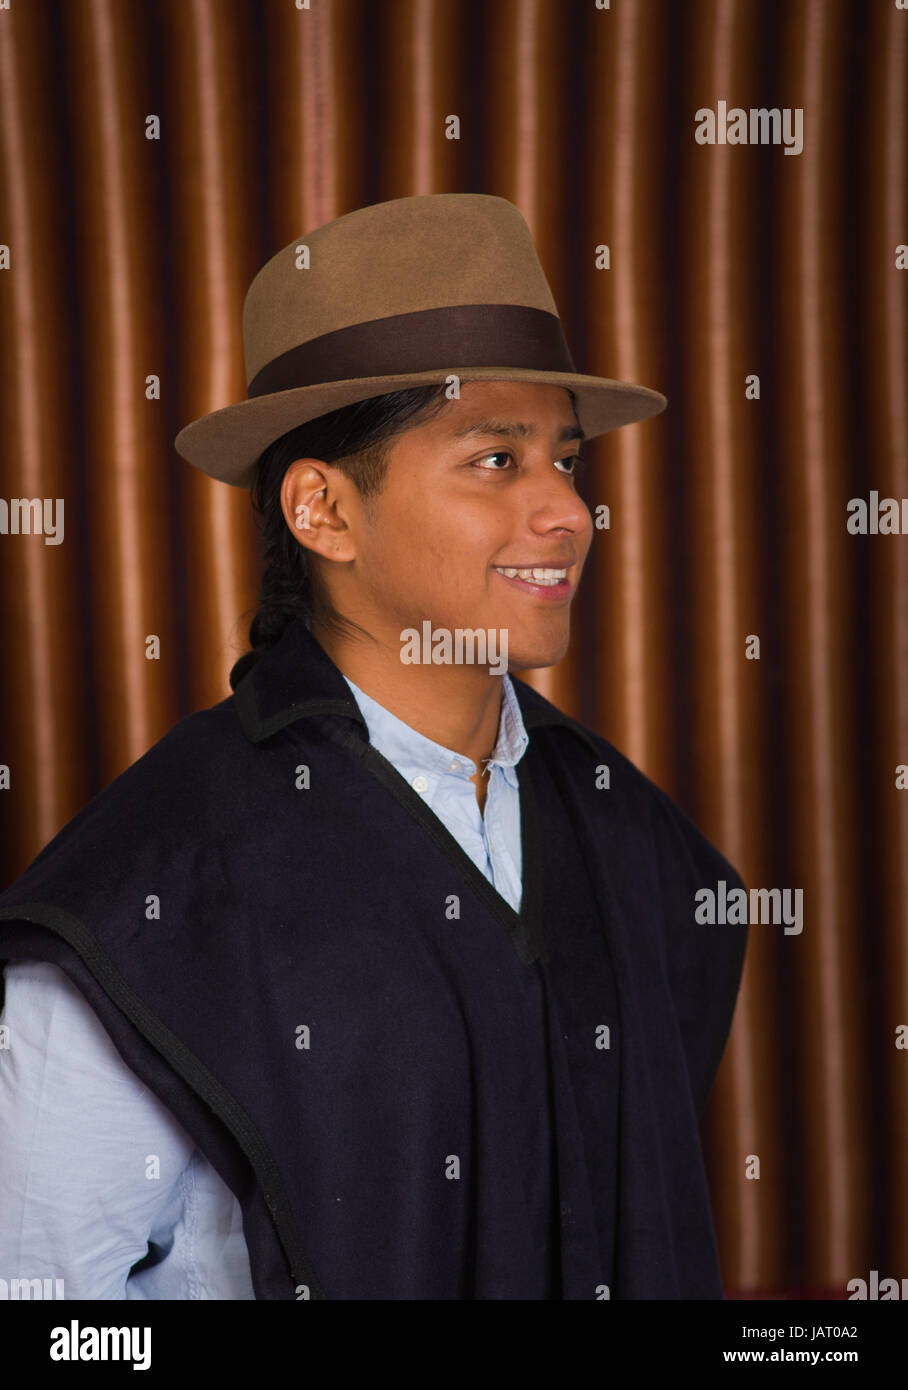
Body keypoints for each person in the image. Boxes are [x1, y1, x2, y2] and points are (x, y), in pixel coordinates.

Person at [0, 193, 747, 1300]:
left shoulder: (634, 839)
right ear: (324, 511)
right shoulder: (156, 890)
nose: (568, 513)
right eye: (495, 459)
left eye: (567, 461)